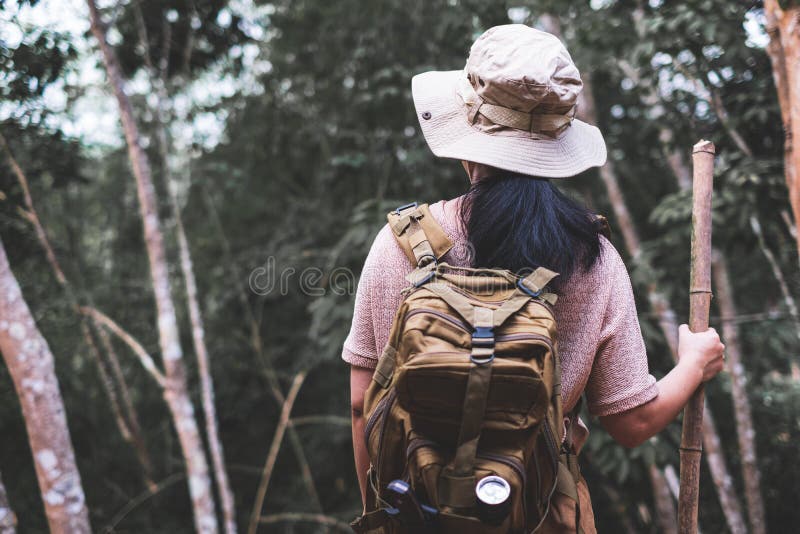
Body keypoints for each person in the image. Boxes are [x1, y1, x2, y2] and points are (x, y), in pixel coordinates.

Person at [342, 24, 725, 531]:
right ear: (560, 141)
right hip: (539, 513)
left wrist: (383, 515)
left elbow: (359, 405)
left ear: (466, 133)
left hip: (415, 509)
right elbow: (631, 421)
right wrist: (693, 366)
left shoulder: (397, 243)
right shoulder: (592, 256)